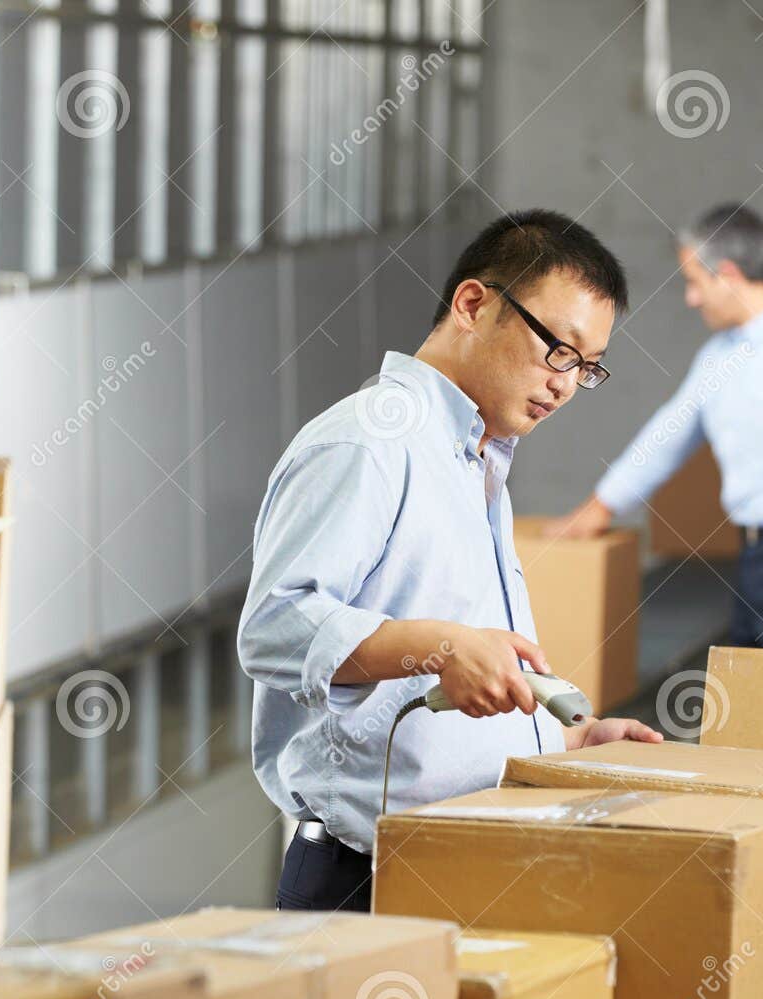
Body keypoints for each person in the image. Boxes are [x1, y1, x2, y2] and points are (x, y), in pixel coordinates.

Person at [237, 210, 664, 914]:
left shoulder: (475, 458)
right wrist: (442, 648)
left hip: (466, 861)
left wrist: (570, 737)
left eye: (586, 368)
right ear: (474, 304)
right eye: (560, 349)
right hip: (368, 878)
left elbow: (452, 693)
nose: (565, 384)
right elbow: (277, 625)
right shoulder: (370, 443)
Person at [550, 204, 763, 652]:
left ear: (726, 274)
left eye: (694, 282)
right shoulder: (719, 357)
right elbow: (667, 436)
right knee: (758, 709)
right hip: (755, 557)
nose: (692, 298)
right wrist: (600, 506)